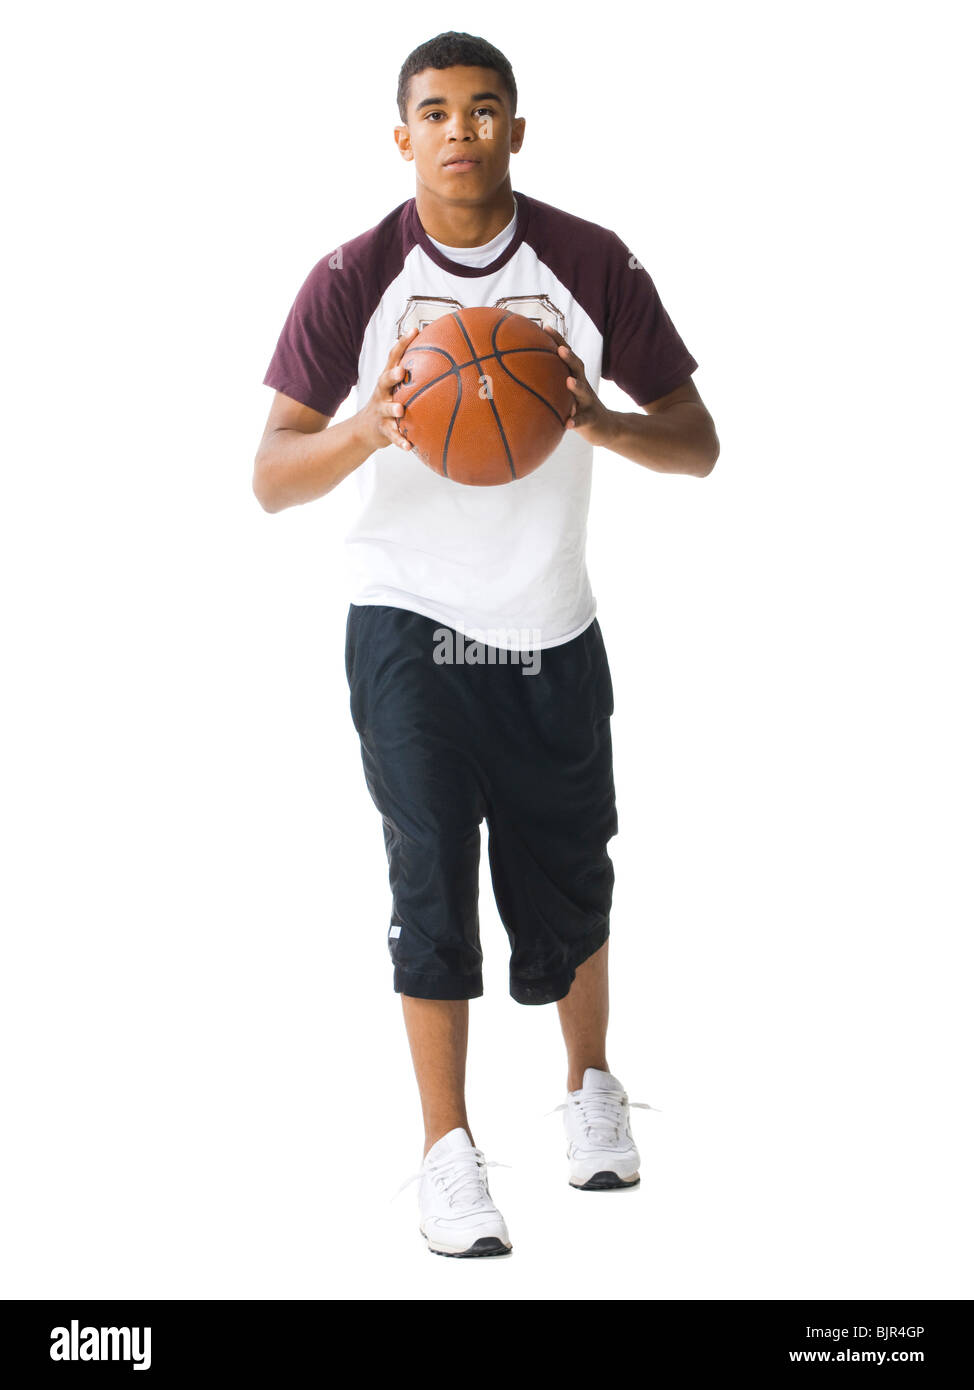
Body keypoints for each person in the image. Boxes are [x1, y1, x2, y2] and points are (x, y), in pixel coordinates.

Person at [253, 30, 720, 1259]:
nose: (460, 128)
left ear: (518, 128)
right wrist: (369, 429)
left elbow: (697, 439)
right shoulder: (353, 276)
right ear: (400, 135)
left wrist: (594, 419)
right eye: (435, 110)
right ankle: (447, 1152)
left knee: (570, 875)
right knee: (429, 880)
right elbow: (269, 476)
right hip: (403, 617)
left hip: (548, 621)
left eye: (484, 108)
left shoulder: (587, 261)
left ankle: (587, 1090)